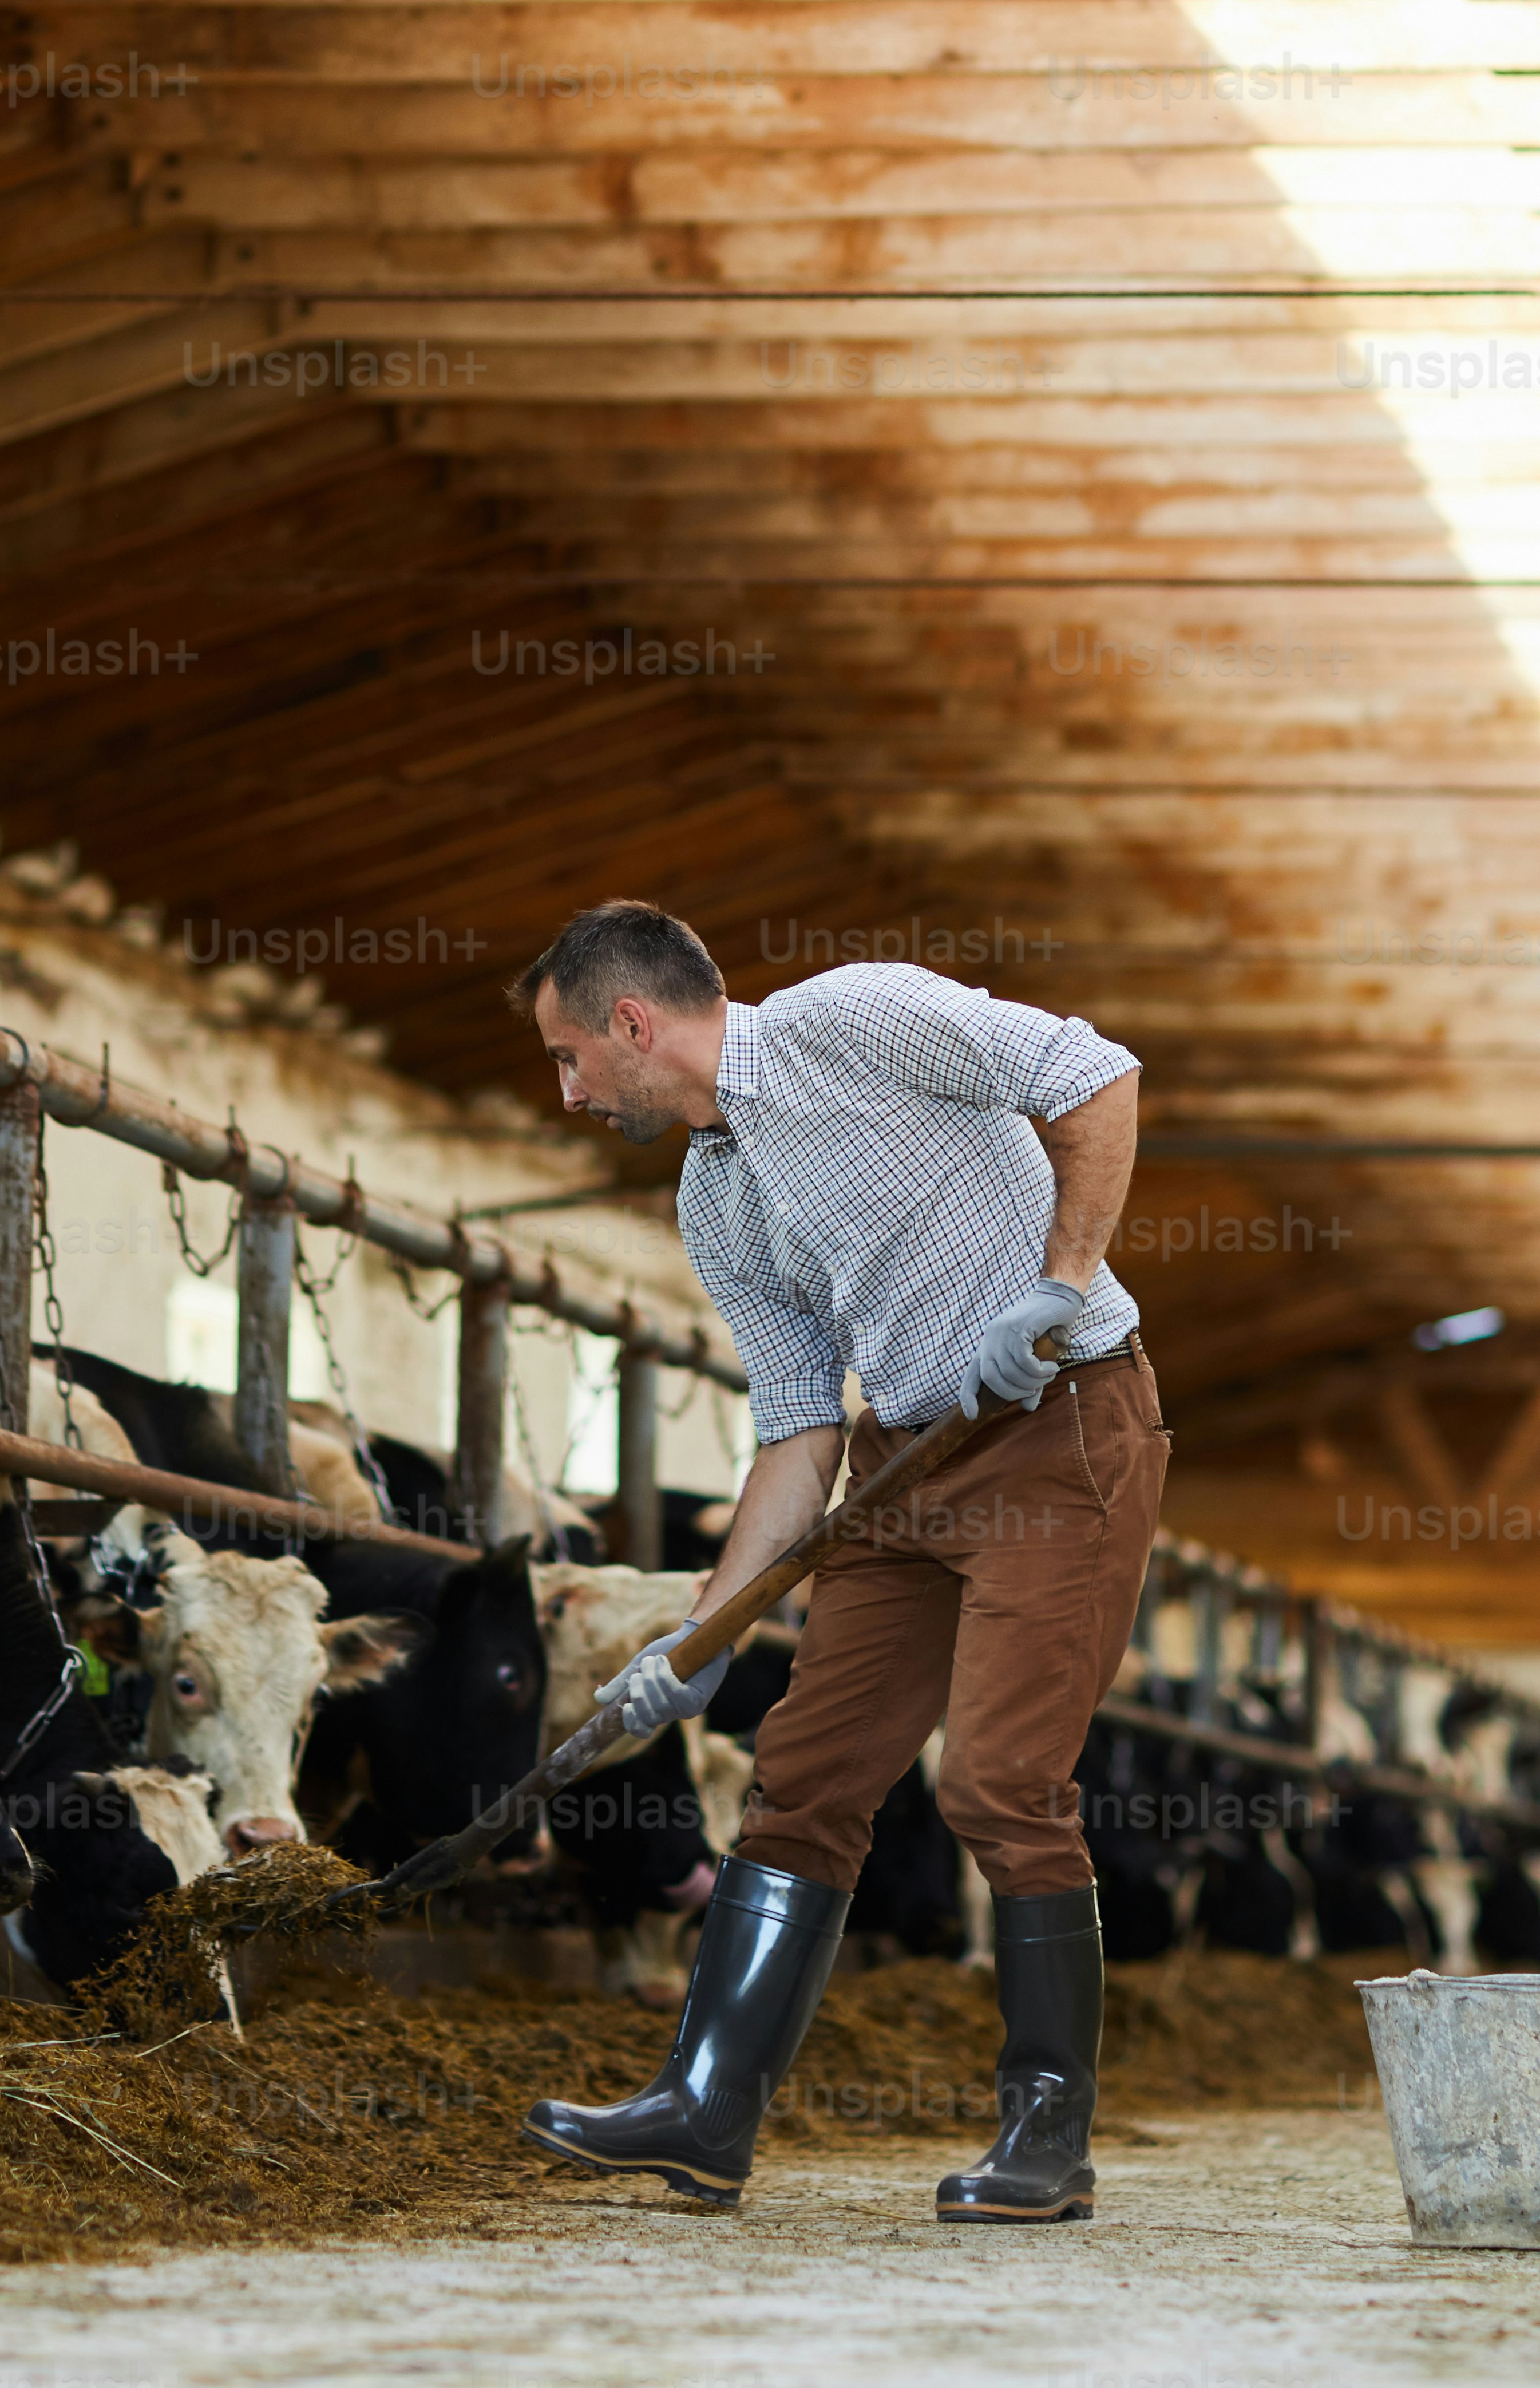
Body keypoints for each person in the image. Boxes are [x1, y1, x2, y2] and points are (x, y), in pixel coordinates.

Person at [508, 898, 1166, 2223]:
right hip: (899, 1466)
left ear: (632, 1023)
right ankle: (705, 2109)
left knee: (996, 1782)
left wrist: (1056, 1283)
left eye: (569, 1059)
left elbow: (1093, 1075)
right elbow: (798, 1432)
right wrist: (697, 1641)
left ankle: (1047, 2134)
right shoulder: (715, 1193)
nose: (569, 1093)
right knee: (801, 1778)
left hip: (1060, 1427)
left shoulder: (854, 1019)